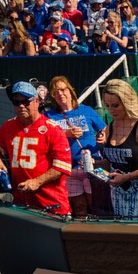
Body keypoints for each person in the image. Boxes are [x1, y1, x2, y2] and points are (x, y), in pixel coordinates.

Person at [0, 80, 72, 216]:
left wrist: (37, 182)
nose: (21, 106)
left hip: (51, 204)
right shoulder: (8, 126)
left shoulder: (53, 129)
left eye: (26, 101)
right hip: (22, 203)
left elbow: (62, 166)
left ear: (37, 101)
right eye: (16, 102)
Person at [96, 79, 138, 222]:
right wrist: (95, 164)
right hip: (119, 192)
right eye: (107, 105)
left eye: (115, 105)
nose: (111, 110)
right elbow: (112, 162)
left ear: (127, 102)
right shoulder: (111, 127)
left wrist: (128, 177)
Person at [46, 75, 106, 219]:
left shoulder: (86, 110)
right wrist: (64, 134)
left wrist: (102, 136)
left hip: (92, 167)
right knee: (79, 208)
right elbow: (45, 139)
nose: (60, 94)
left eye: (63, 89)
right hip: (69, 169)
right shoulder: (49, 116)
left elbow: (105, 129)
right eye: (55, 92)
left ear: (70, 90)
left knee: (96, 206)